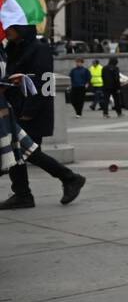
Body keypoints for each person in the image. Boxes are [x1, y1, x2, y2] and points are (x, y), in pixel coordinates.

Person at [1, 25, 86, 209]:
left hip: (31, 111)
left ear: (21, 28)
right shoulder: (13, 48)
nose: (7, 31)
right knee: (20, 153)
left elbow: (43, 82)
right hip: (15, 109)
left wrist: (29, 112)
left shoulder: (39, 49)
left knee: (28, 152)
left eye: (11, 28)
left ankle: (69, 178)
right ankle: (23, 194)